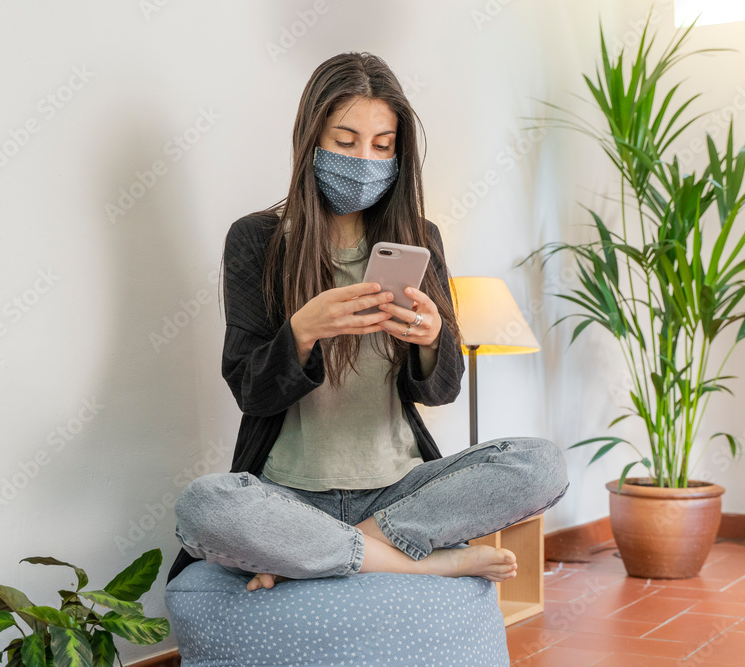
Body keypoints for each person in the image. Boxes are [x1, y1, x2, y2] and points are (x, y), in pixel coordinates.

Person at [165, 52, 569, 592]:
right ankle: (416, 561)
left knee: (542, 464)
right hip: (288, 495)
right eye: (345, 140)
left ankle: (337, 548)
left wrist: (432, 341)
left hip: (398, 489)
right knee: (204, 505)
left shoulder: (420, 239)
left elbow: (444, 390)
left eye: (382, 146)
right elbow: (249, 391)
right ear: (311, 140)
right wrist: (301, 331)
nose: (365, 159)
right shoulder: (256, 240)